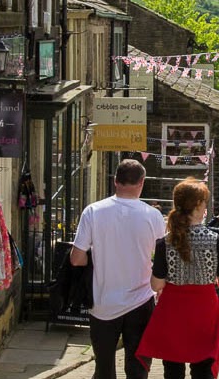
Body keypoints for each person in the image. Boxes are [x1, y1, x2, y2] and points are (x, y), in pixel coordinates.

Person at [71, 159, 166, 379]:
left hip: (103, 302)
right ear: (142, 182)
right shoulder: (153, 216)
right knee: (138, 370)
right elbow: (162, 261)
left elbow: (76, 259)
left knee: (103, 369)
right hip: (142, 300)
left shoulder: (93, 211)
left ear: (115, 181)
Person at [136, 179, 219, 379]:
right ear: (197, 205)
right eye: (204, 201)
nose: (206, 205)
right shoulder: (216, 240)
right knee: (204, 366)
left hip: (173, 309)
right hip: (204, 308)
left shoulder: (166, 242)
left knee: (173, 367)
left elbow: (156, 284)